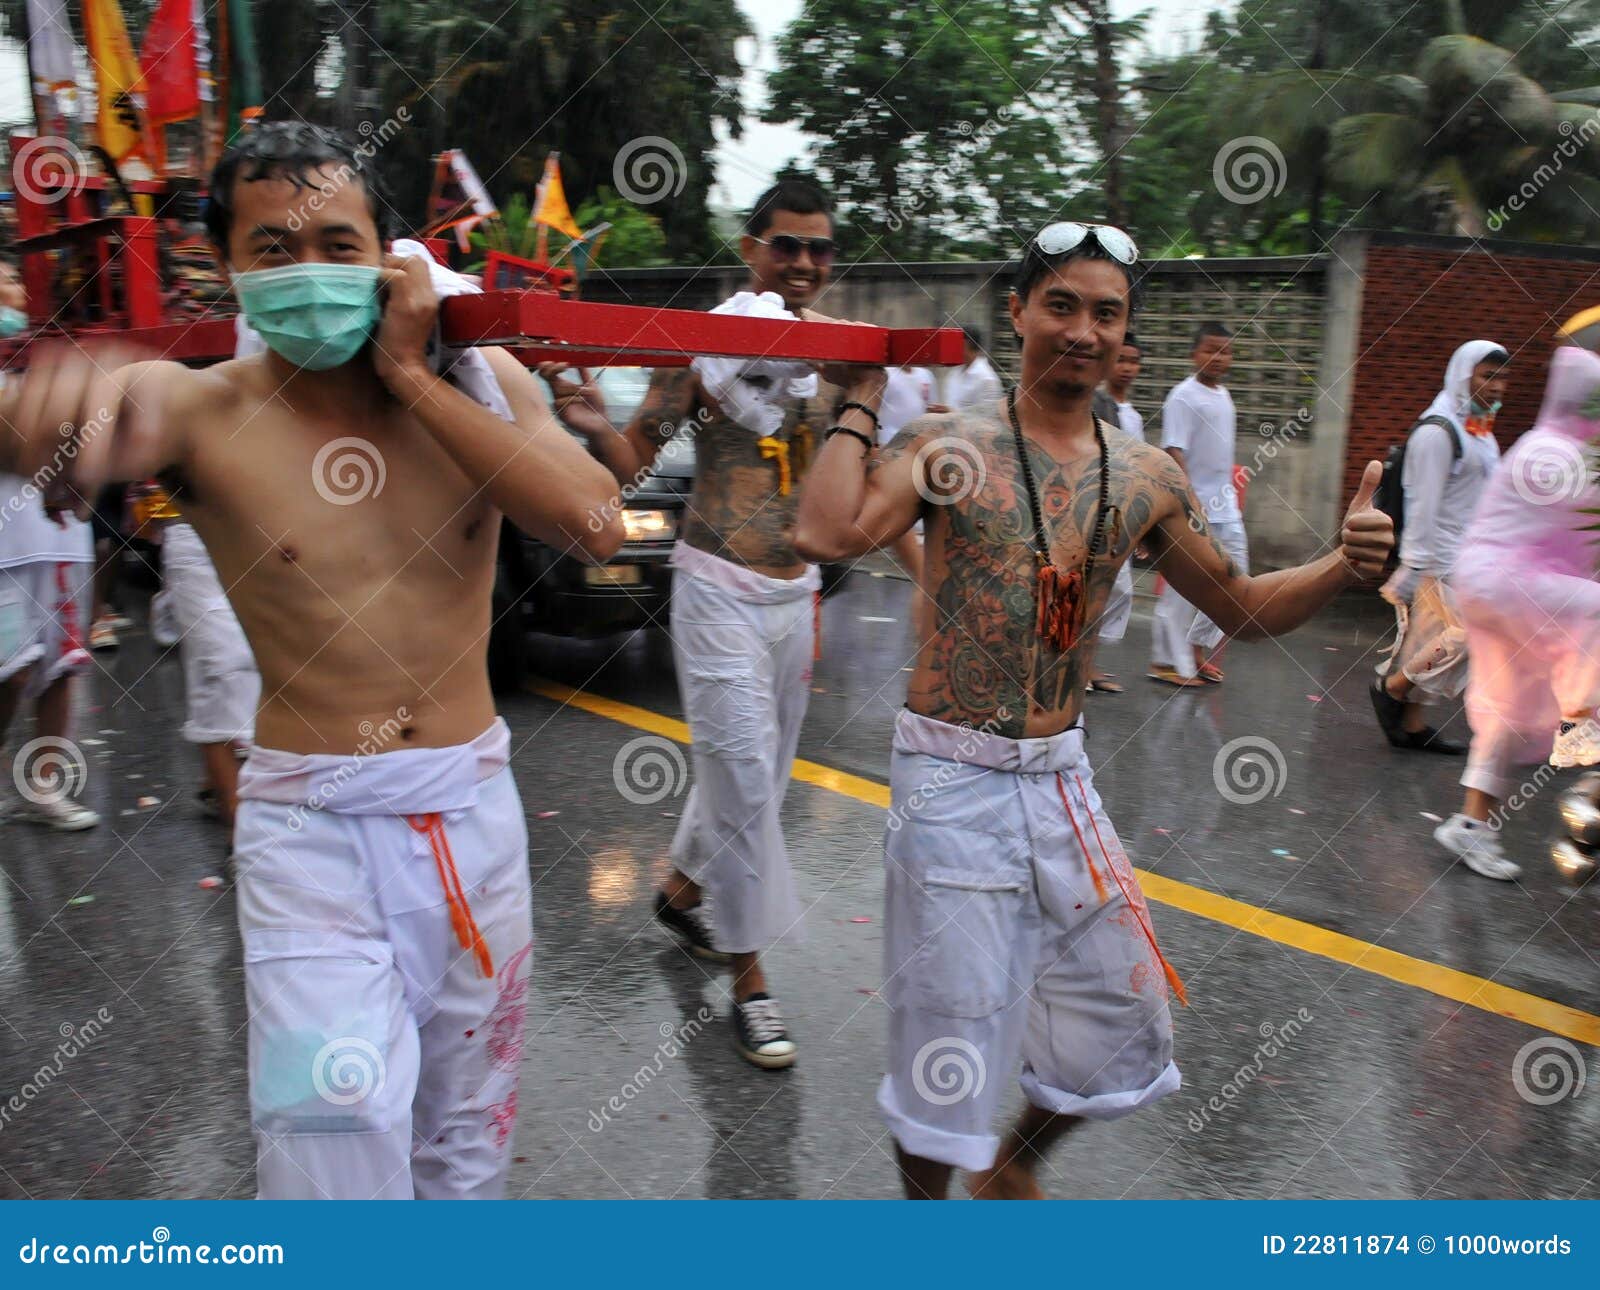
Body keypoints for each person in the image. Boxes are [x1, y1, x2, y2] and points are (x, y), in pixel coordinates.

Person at [0, 122, 624, 1198]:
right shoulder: (198, 408)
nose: (311, 273)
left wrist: (415, 379)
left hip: (472, 812)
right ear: (231, 269)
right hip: (308, 838)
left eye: (339, 244)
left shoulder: (479, 385)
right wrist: (44, 418)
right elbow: (46, 430)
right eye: (275, 248)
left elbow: (596, 521)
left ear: (392, 254)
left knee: (464, 1148)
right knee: (325, 1138)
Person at [794, 220, 1393, 1199]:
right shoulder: (946, 445)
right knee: (949, 1034)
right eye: (1060, 305)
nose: (1080, 329)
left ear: (1124, 337)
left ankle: (1012, 1167)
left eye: (1104, 314)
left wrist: (1341, 563)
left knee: (1124, 1007)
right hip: (948, 771)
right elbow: (827, 529)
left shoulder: (1147, 475)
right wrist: (858, 403)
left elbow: (1238, 612)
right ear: (1019, 311)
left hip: (1059, 773)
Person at [544, 179, 885, 1070]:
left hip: (794, 595)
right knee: (739, 776)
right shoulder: (707, 351)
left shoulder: (842, 361)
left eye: (819, 248)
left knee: (761, 780)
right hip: (715, 591)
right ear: (751, 248)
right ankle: (752, 984)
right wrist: (592, 427)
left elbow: (861, 473)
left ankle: (678, 890)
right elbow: (636, 458)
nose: (803, 263)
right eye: (786, 245)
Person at [1431, 316, 1600, 880]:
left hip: (1493, 591)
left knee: (1510, 713)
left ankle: (1471, 827)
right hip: (1508, 585)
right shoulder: (1562, 456)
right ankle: (1587, 737)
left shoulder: (1542, 443)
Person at [1369, 340, 1508, 756]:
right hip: (1438, 559)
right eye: (1488, 376)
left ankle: (1412, 726)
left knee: (1428, 644)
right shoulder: (1438, 430)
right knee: (1461, 638)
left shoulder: (1479, 430)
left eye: (1503, 378)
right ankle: (1391, 689)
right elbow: (1421, 501)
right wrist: (1413, 566)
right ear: (1464, 375)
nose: (1498, 387)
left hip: (1471, 558)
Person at [0, 260, 100, 831]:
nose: (15, 286)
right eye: (5, 278)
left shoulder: (50, 355)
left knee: (63, 665)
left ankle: (44, 790)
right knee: (12, 672)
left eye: (17, 276)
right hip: (5, 546)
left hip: (59, 539)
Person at [1148, 322, 1243, 687]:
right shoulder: (1182, 396)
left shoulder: (1224, 397)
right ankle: (1165, 661)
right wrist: (1188, 505)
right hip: (1192, 508)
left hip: (1226, 508)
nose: (1219, 358)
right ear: (1194, 354)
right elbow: (1174, 452)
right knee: (1180, 587)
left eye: (1226, 351)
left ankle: (1196, 651)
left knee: (1234, 579)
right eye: (1211, 350)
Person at [1087, 333, 1147, 694]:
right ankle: (1081, 667)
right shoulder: (1091, 402)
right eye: (1121, 359)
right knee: (1094, 589)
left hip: (1116, 514)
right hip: (1090, 511)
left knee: (1115, 589)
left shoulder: (1133, 417)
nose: (1127, 368)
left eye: (1133, 360)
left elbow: (1135, 469)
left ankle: (1086, 663)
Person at [939, 326, 1001, 412]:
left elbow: (987, 418)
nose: (954, 349)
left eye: (958, 345)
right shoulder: (954, 373)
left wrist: (951, 413)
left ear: (969, 345)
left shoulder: (987, 379)